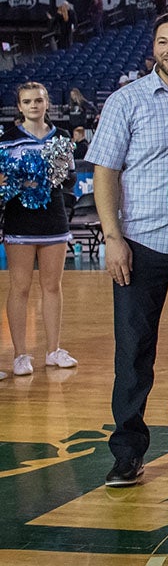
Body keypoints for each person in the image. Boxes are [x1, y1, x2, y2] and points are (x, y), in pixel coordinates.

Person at [88, 13, 168, 487]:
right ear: (154, 49)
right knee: (134, 351)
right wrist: (113, 237)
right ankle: (127, 451)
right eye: (163, 42)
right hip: (140, 244)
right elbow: (106, 172)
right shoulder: (127, 100)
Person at [1, 82, 76, 377]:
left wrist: (50, 179)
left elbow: (68, 179)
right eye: (27, 101)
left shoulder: (62, 138)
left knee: (52, 286)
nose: (34, 105)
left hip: (53, 218)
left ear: (47, 104)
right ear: (19, 107)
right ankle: (20, 355)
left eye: (39, 100)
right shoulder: (7, 140)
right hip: (19, 219)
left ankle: (53, 350)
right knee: (20, 287)